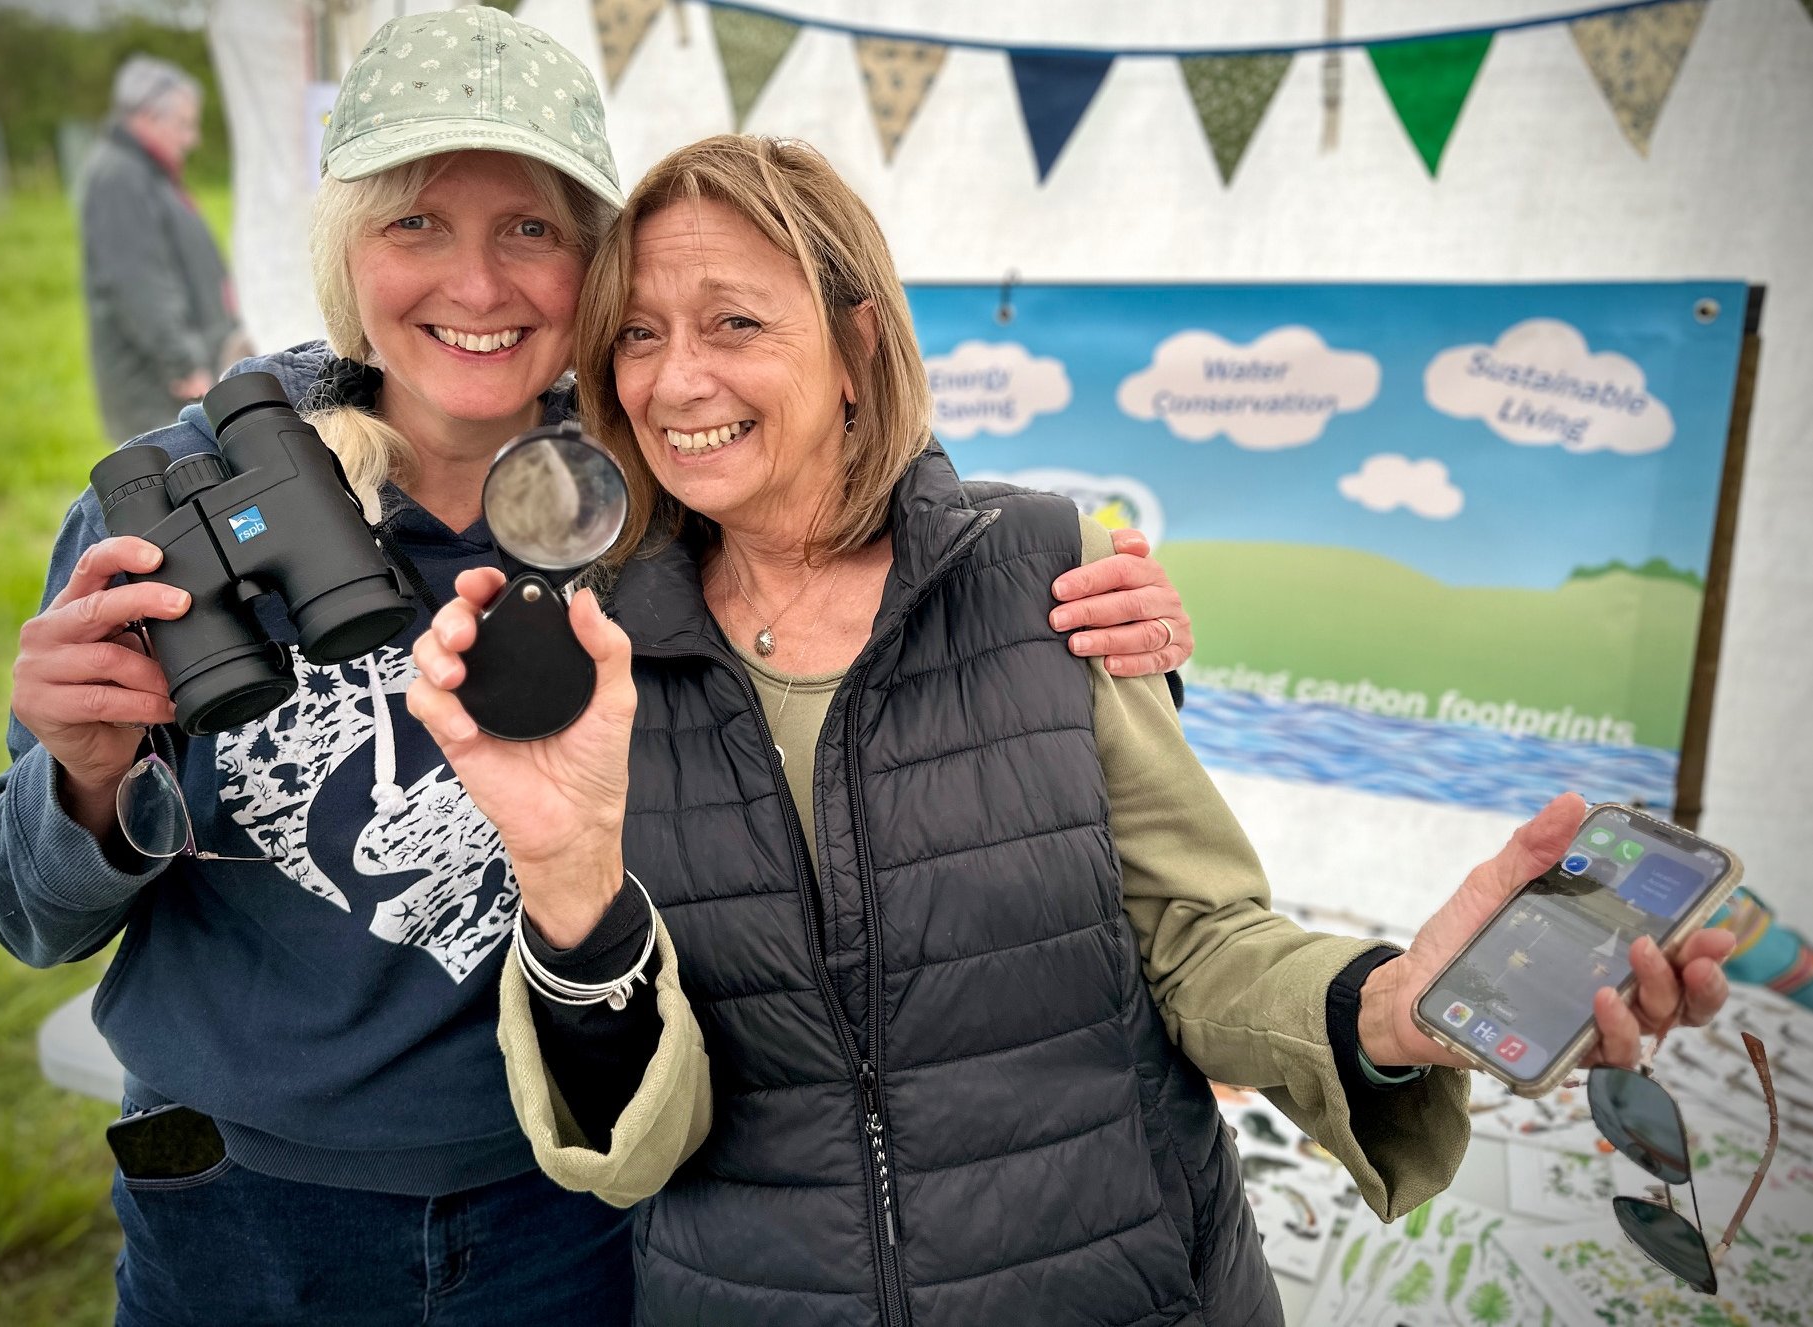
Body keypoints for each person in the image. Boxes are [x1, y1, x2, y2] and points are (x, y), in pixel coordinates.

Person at [0, 11, 1195, 1324]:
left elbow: (855, 488)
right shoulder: (183, 507)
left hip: (575, 1199)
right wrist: (87, 786)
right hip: (240, 1204)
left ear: (594, 265)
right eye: (415, 223)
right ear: (342, 246)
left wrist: (1061, 591)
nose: (480, 286)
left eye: (533, 230)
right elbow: (30, 915)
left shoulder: (653, 492)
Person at [406, 135, 1740, 1326]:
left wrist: (1392, 1002)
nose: (676, 377)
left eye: (735, 320)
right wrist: (568, 879)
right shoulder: (591, 656)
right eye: (636, 334)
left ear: (859, 344)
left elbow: (1193, 941)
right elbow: (640, 1143)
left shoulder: (1048, 572)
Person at [79, 54, 248, 443]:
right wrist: (183, 364)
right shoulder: (120, 177)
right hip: (159, 389)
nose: (192, 139)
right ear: (148, 117)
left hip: (174, 381)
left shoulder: (143, 172)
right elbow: (138, 285)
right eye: (184, 125)